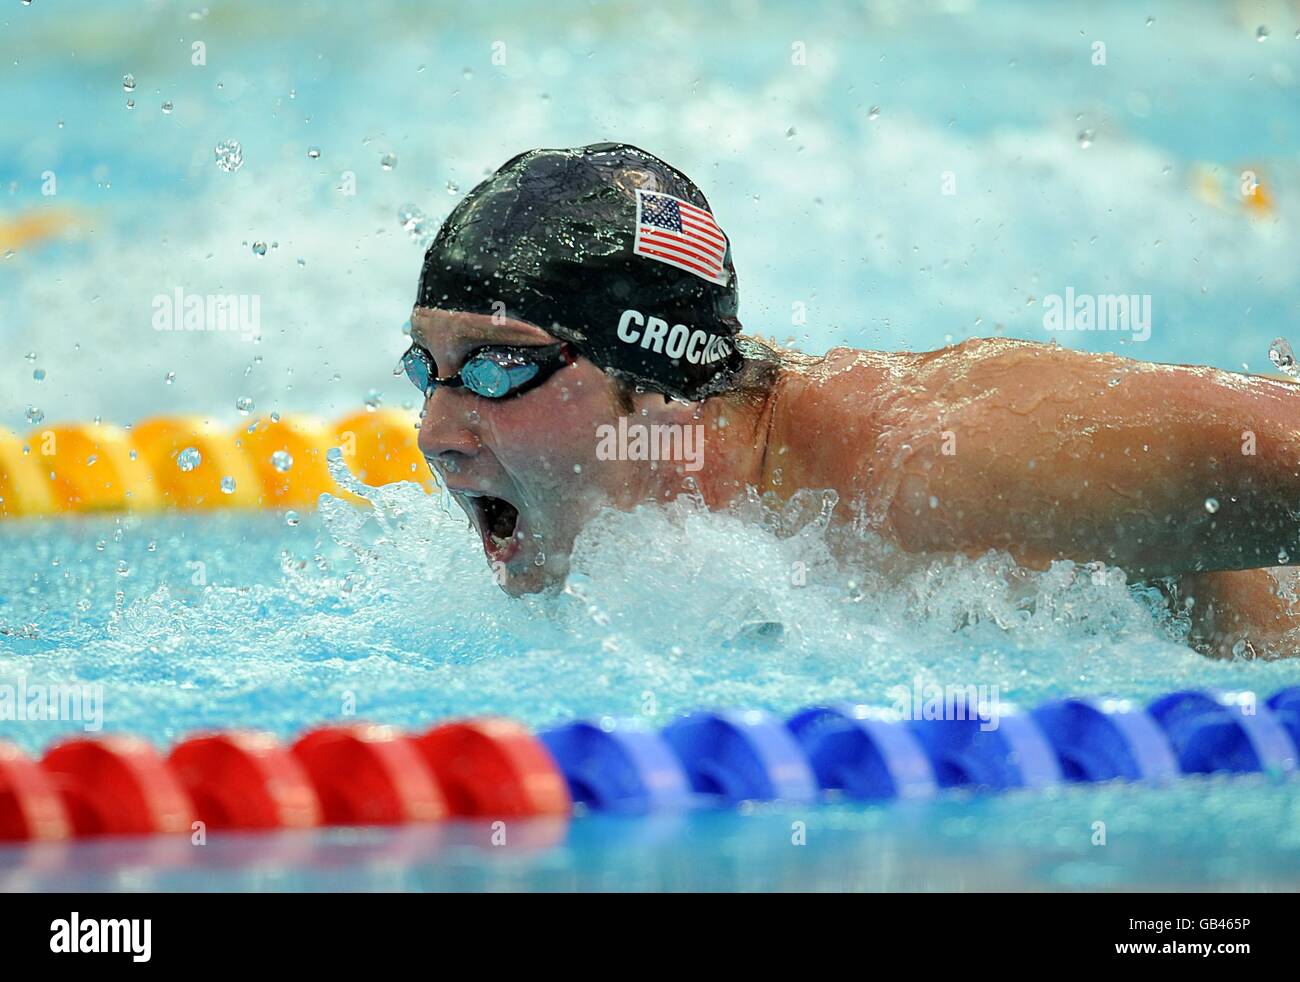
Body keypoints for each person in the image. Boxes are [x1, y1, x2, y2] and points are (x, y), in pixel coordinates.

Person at [404, 142, 1300, 658]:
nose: (434, 433)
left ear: (660, 384)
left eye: (494, 368)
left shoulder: (939, 463)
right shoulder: (668, 541)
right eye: (428, 369)